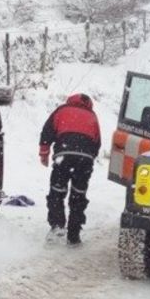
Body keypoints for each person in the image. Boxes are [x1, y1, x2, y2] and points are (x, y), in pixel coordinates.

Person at [39, 93, 101, 245]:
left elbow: (47, 132)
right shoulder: (92, 116)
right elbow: (97, 142)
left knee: (57, 191)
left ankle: (57, 225)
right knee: (78, 195)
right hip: (84, 159)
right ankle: (74, 235)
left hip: (63, 156)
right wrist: (89, 159)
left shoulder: (61, 111)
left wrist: (44, 153)